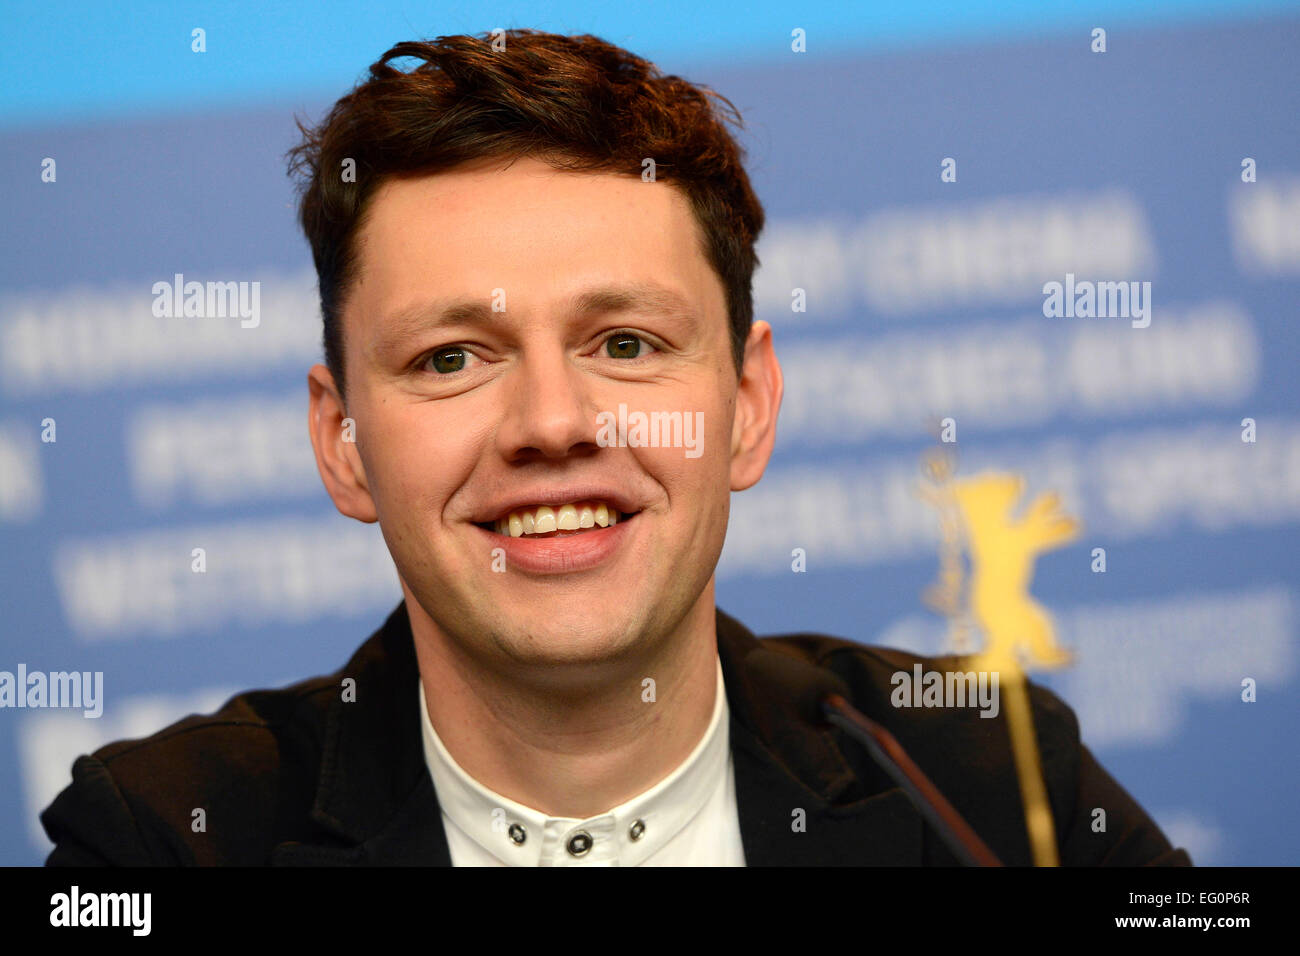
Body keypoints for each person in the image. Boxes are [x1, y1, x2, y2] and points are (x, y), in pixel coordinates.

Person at [40, 29, 1190, 866]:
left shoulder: (988, 777)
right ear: (342, 443)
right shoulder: (156, 841)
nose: (552, 421)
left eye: (626, 342)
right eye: (452, 357)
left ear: (745, 405)